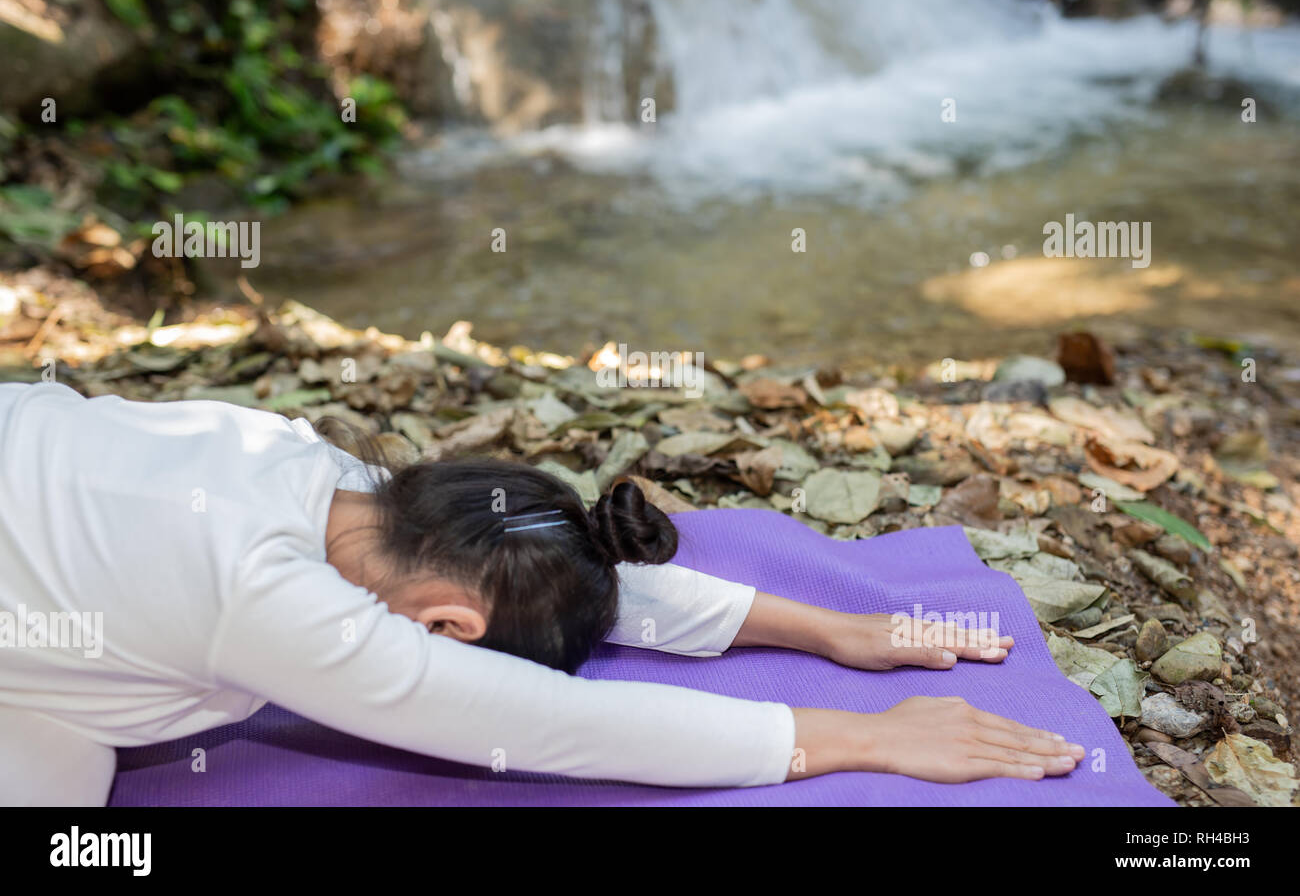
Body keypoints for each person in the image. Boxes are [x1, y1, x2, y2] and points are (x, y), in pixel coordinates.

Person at [0, 380, 1083, 805]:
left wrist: (823, 625)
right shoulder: (268, 603)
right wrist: (866, 740)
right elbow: (555, 723)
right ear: (447, 631)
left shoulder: (313, 467)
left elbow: (548, 559)